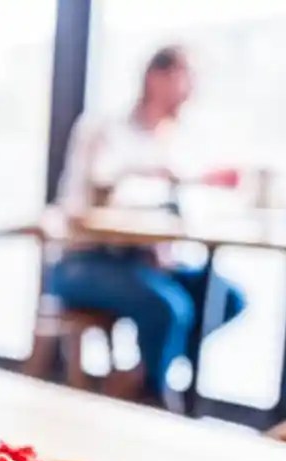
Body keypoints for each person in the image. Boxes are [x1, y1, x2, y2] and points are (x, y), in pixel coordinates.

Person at [51, 46, 245, 405]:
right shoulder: (104, 129)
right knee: (169, 308)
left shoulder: (178, 139)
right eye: (186, 79)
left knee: (226, 298)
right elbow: (83, 205)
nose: (192, 92)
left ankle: (141, 378)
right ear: (156, 77)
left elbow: (185, 214)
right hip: (85, 262)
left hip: (149, 262)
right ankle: (156, 398)